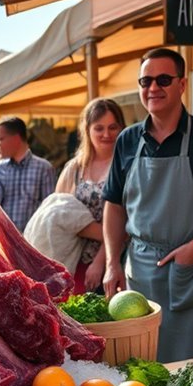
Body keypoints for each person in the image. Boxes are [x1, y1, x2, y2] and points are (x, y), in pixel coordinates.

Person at [102, 48, 193, 362]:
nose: (153, 88)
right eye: (146, 81)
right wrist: (112, 262)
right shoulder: (127, 140)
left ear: (182, 84)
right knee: (142, 366)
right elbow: (114, 205)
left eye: (163, 80)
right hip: (140, 273)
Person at [56, 98, 125, 293]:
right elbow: (58, 214)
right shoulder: (74, 168)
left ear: (122, 128)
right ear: (87, 130)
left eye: (113, 127)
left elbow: (125, 220)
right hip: (74, 262)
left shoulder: (125, 166)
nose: (106, 134)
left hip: (115, 262)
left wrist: (100, 262)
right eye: (99, 128)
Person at [0, 116, 55, 231]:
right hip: (3, 239)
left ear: (16, 138)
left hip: (33, 238)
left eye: (0, 139)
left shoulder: (44, 168)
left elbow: (49, 210)